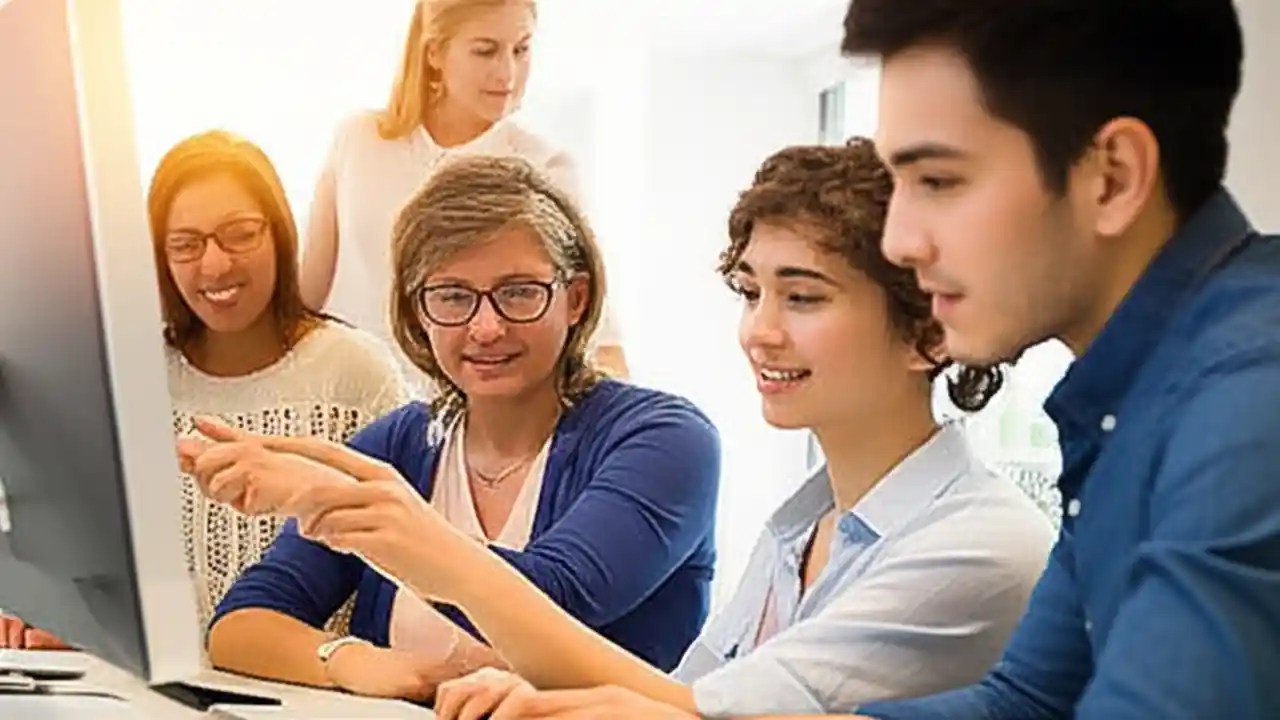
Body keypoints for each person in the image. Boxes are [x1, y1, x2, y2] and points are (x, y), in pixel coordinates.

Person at [188, 141, 1054, 717]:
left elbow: (688, 716)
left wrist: (399, 532)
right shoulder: (802, 526)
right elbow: (677, 699)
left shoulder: (977, 546)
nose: (759, 330)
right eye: (751, 292)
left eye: (804, 296)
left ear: (933, 327)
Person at [829, 1, 1280, 718]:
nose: (898, 241)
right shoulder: (1123, 396)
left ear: (1112, 178)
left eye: (938, 182)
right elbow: (1028, 703)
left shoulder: (1249, 400)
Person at [182, 155, 720, 702]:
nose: (486, 327)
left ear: (576, 299)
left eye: (518, 292)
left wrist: (359, 509)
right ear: (419, 312)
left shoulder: (665, 440)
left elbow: (555, 599)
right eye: (453, 297)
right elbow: (241, 623)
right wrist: (358, 661)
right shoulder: (402, 442)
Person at [0, 130, 412, 648]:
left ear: (279, 234)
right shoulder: (127, 379)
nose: (215, 264)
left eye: (240, 234)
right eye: (186, 245)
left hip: (315, 690)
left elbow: (405, 567)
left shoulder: (356, 373)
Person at [299, 0, 629, 379]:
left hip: (468, 418)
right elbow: (301, 300)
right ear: (435, 51)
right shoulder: (359, 141)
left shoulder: (544, 168)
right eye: (485, 51)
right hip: (347, 399)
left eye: (521, 49)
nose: (507, 72)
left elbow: (600, 339)